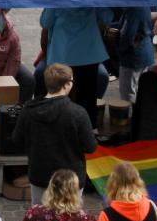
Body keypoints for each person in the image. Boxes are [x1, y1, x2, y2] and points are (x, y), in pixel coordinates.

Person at [13, 64, 97, 205]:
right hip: (71, 178)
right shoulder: (78, 113)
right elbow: (90, 147)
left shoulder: (28, 110)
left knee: (40, 218)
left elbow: (17, 140)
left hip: (40, 175)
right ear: (66, 85)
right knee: (69, 220)